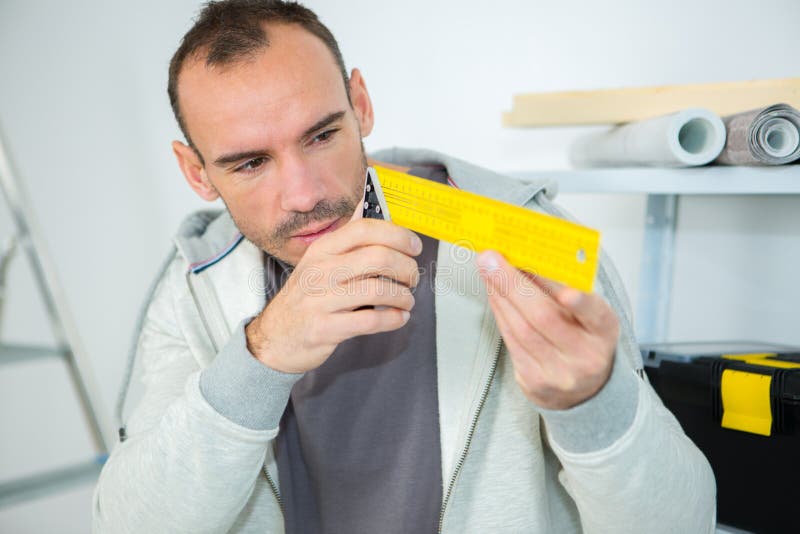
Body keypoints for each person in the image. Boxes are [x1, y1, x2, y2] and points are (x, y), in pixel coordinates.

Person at [92, 1, 716, 532]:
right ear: (196, 171)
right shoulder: (195, 282)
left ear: (360, 104)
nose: (305, 194)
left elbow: (682, 520)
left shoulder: (528, 241)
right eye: (250, 164)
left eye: (320, 135)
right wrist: (261, 355)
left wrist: (592, 406)